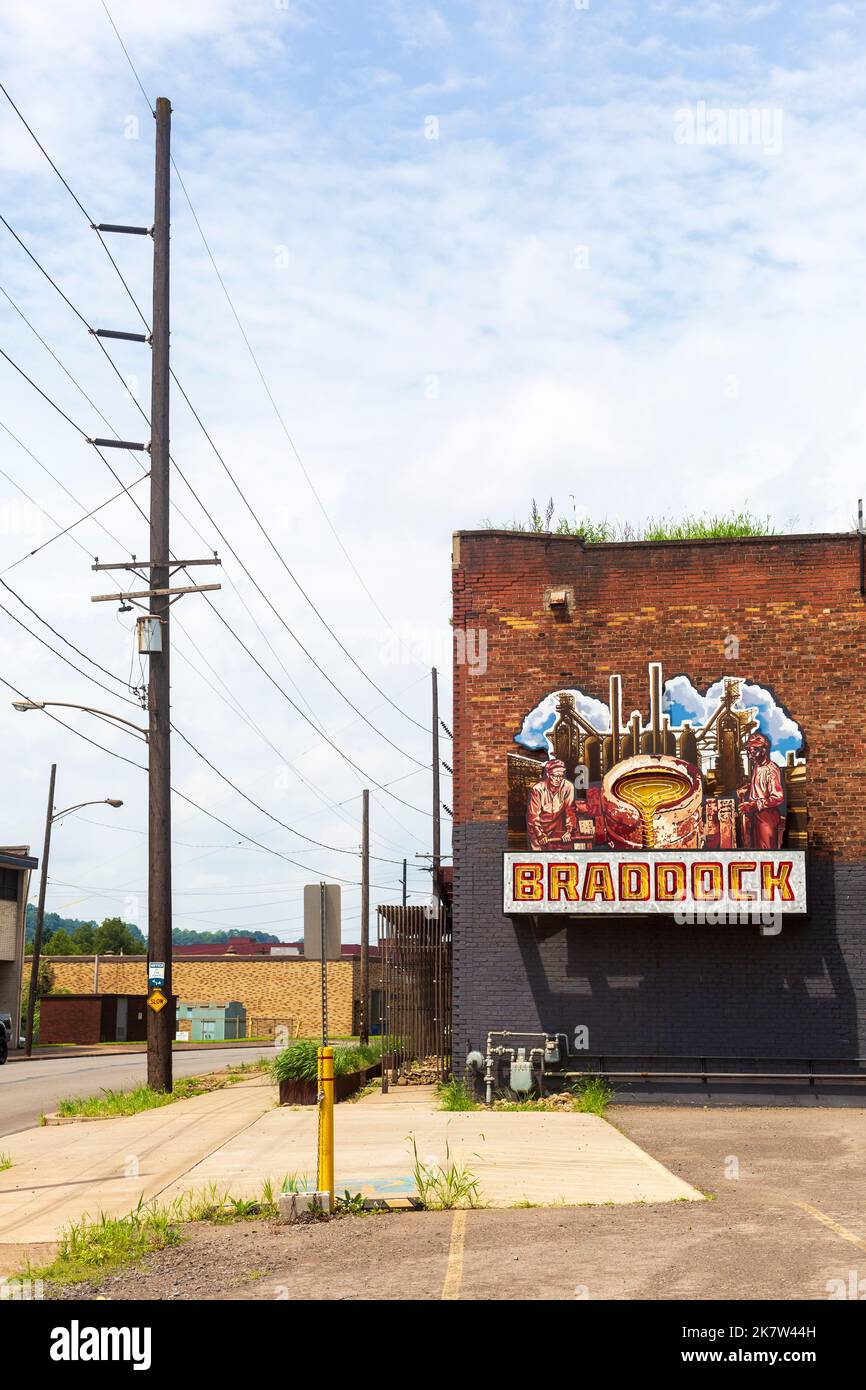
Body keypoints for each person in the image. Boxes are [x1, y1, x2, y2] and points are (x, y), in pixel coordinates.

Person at [738, 731, 785, 849]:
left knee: (766, 849)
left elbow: (777, 797)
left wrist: (753, 805)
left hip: (767, 816)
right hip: (757, 815)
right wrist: (748, 787)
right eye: (749, 751)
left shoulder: (771, 770)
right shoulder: (757, 766)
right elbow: (761, 784)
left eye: (754, 750)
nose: (750, 755)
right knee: (756, 847)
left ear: (764, 750)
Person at [527, 758, 577, 850]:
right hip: (537, 827)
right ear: (548, 775)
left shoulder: (568, 787)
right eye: (555, 776)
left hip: (556, 827)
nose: (558, 779)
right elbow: (533, 816)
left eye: (561, 776)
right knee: (538, 856)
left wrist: (569, 831)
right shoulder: (538, 789)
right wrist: (540, 834)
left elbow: (570, 811)